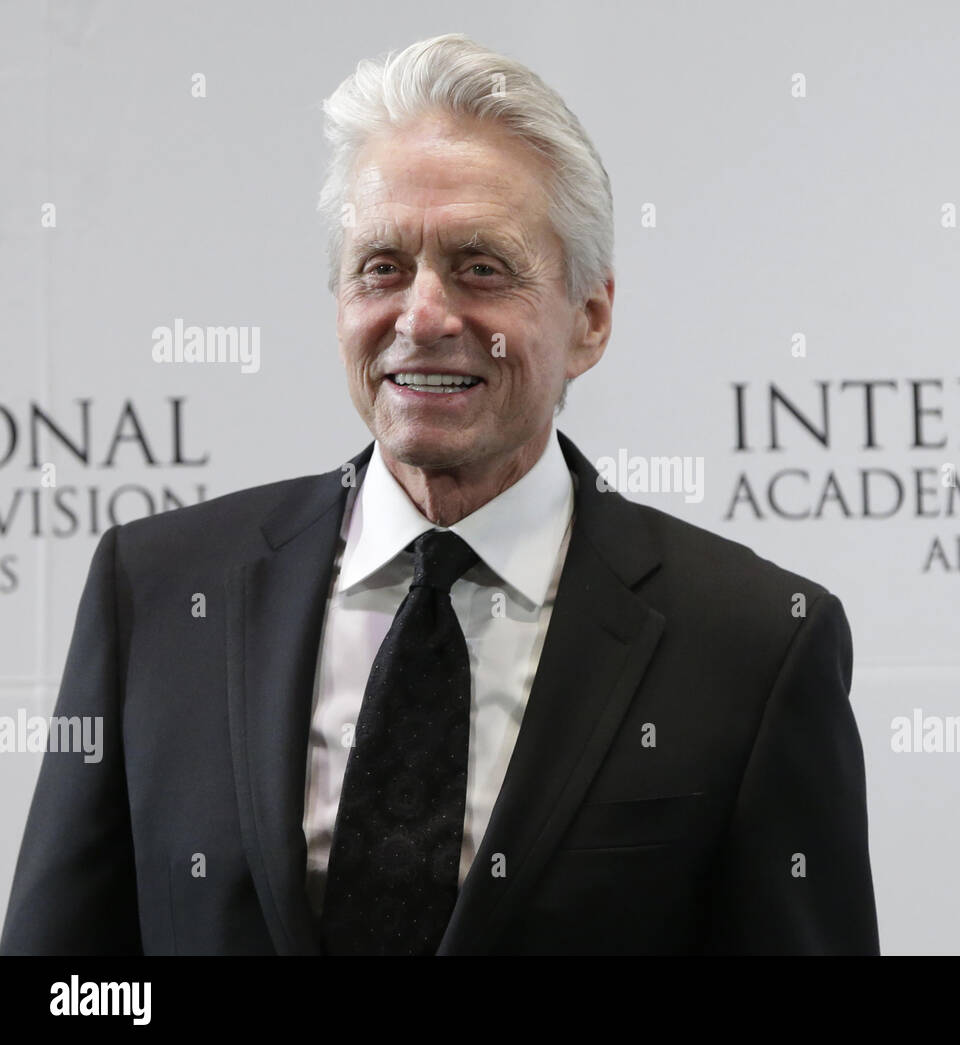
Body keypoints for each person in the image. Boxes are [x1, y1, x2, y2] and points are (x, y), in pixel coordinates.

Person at [1, 33, 879, 955]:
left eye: (481, 267)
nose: (421, 316)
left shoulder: (755, 641)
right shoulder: (156, 593)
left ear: (590, 319)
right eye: (382, 266)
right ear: (340, 300)